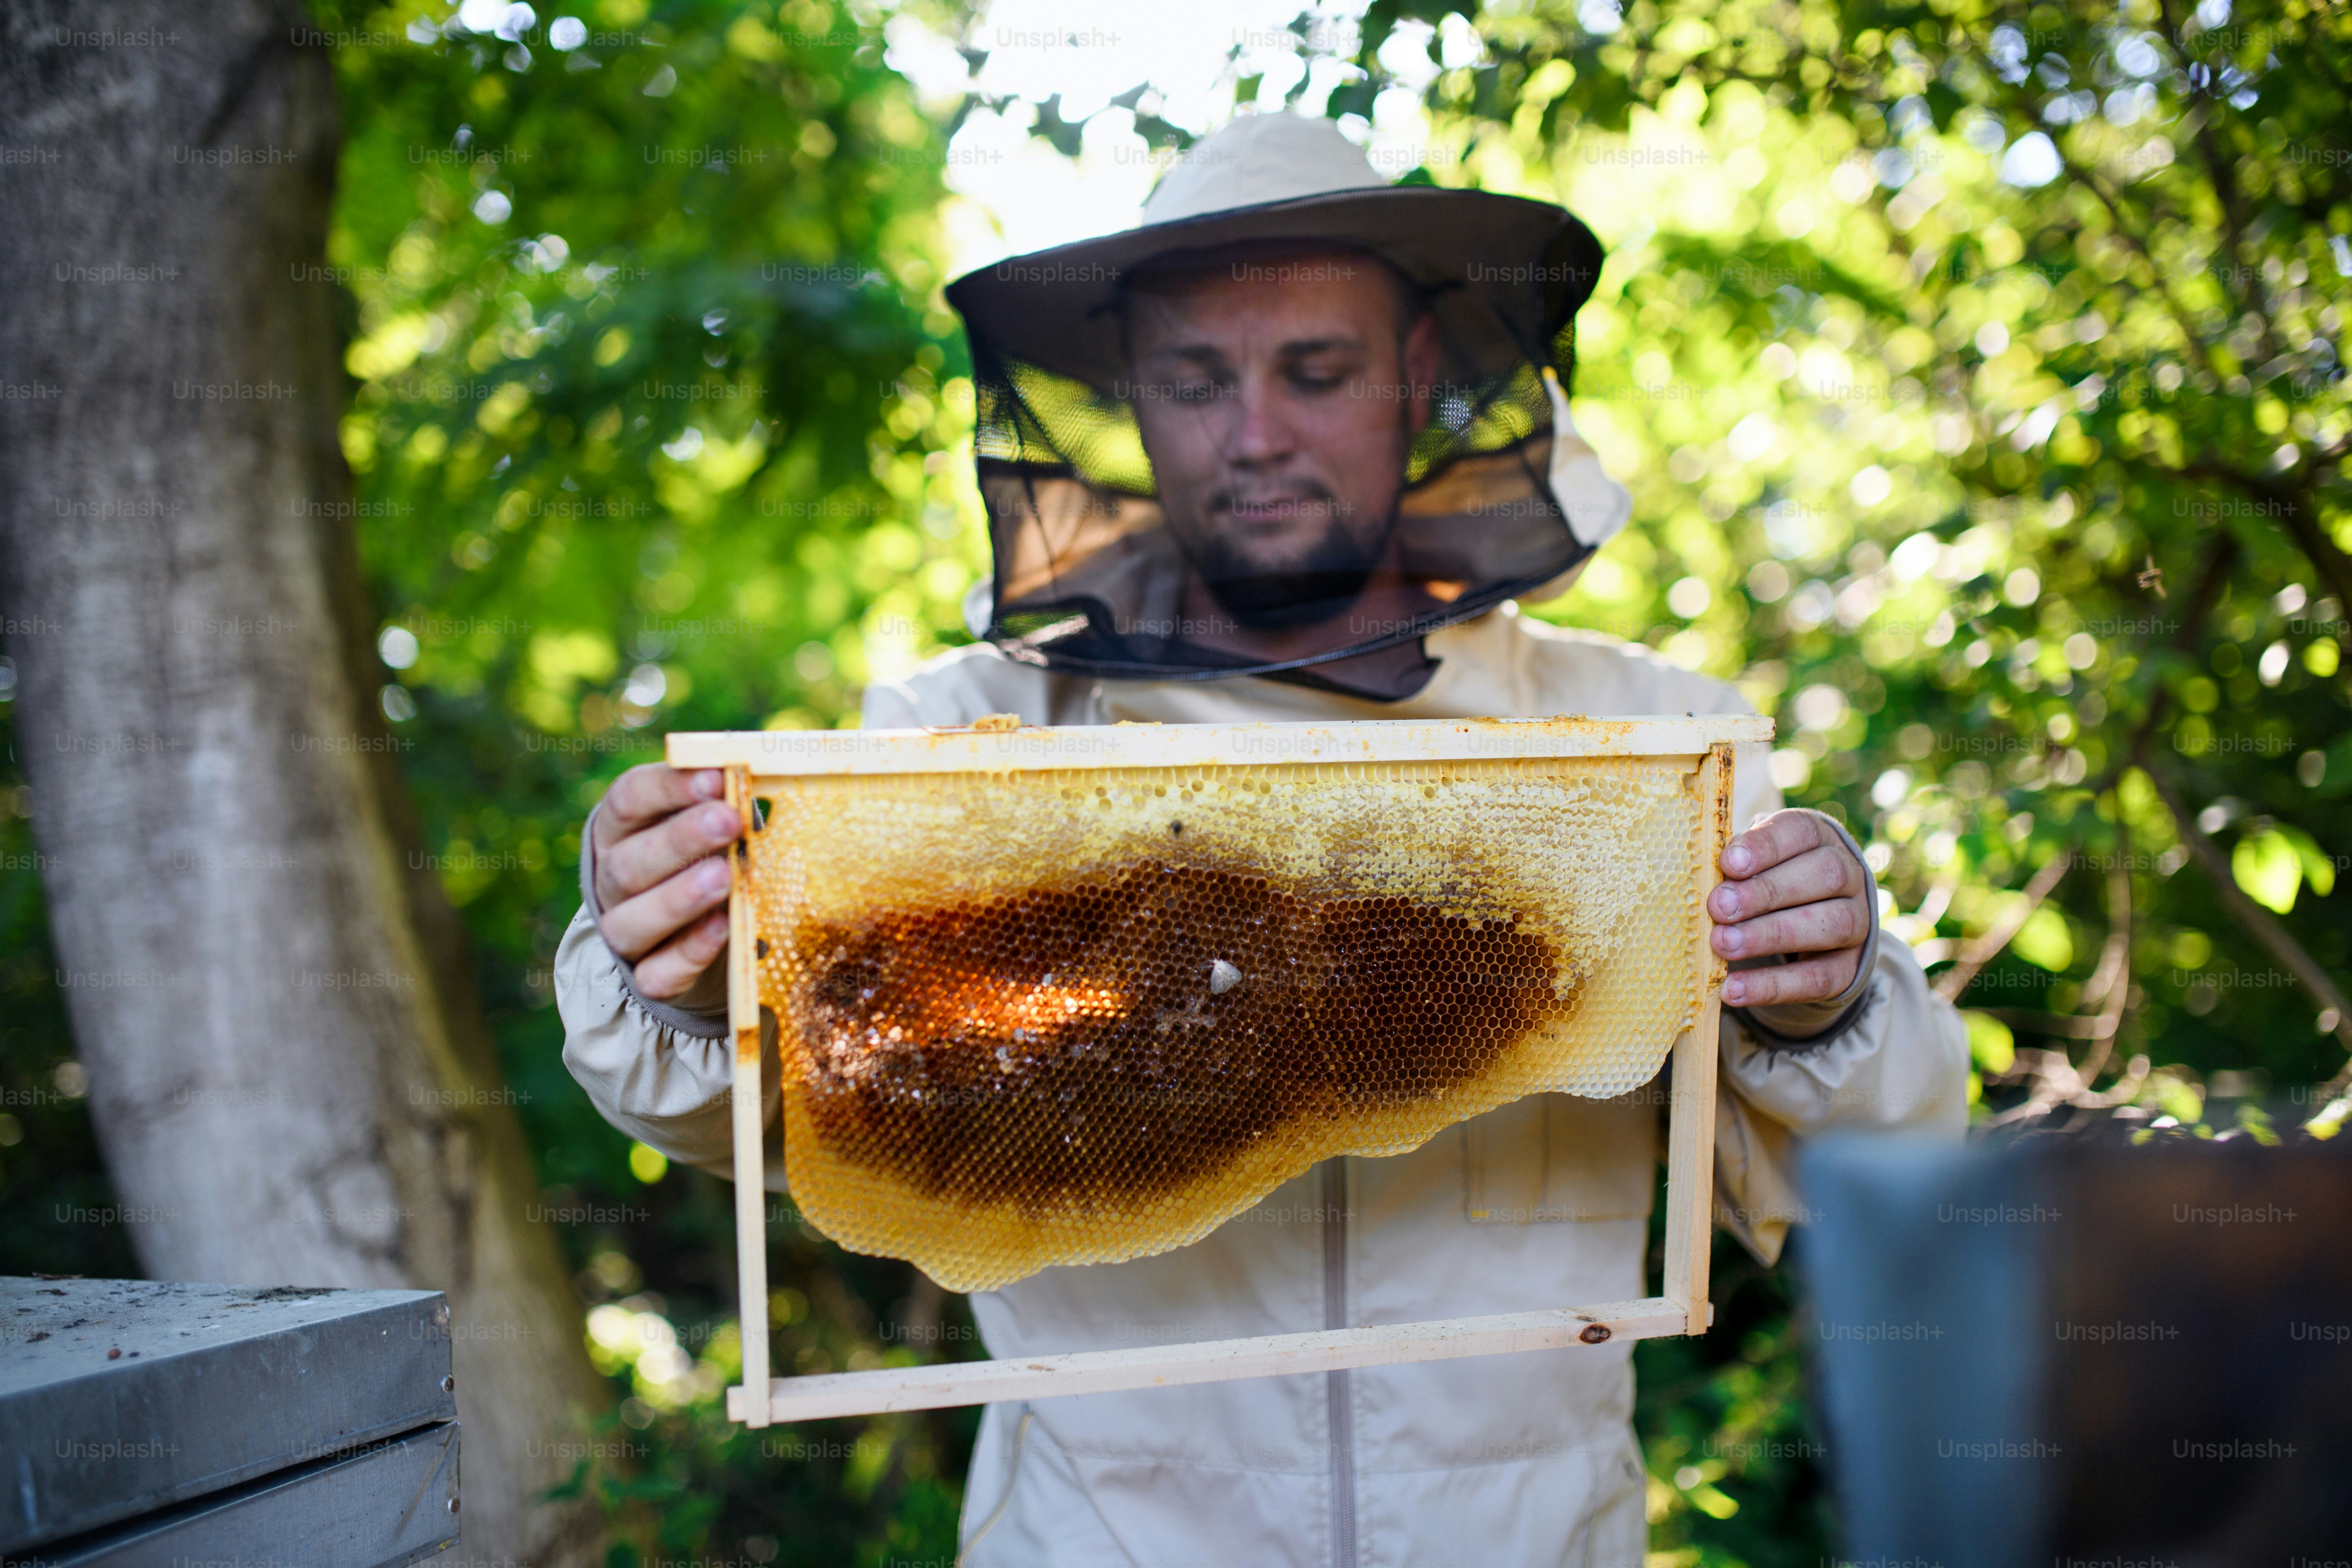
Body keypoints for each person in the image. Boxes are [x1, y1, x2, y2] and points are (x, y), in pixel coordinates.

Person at [559, 114, 1968, 1568]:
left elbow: (1880, 1163)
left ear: (1420, 377)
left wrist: (1829, 994)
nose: (1255, 435)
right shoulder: (961, 737)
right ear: (1131, 397)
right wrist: (667, 968)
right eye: (1194, 380)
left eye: (1318, 370)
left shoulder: (1643, 737)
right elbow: (780, 1115)